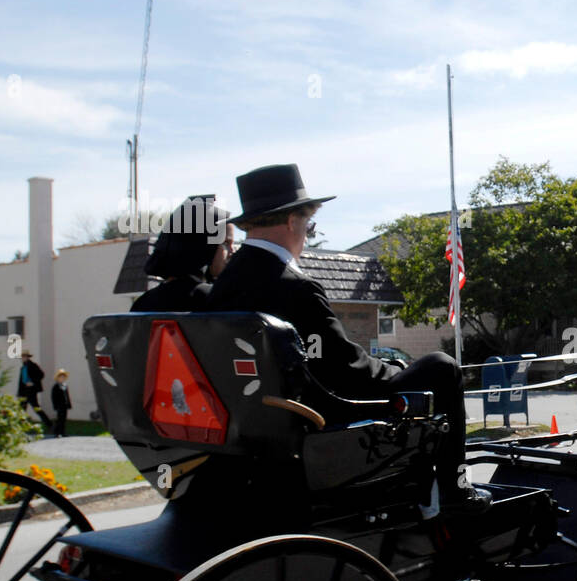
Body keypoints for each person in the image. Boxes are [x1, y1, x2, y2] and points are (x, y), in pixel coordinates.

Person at [207, 163, 490, 514]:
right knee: (443, 368)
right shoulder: (294, 287)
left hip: (256, 421)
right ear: (292, 221)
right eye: (308, 225)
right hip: (320, 418)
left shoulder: (224, 284)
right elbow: (349, 370)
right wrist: (396, 369)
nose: (306, 235)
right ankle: (456, 491)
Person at [132, 195, 234, 312]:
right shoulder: (216, 300)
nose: (232, 251)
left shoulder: (142, 303)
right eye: (226, 243)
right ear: (204, 247)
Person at [16, 351, 51, 433]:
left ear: (28, 357)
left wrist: (33, 382)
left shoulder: (33, 365)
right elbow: (21, 381)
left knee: (36, 408)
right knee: (22, 409)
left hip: (31, 390)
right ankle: (20, 427)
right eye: (22, 357)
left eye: (24, 356)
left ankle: (49, 424)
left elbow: (41, 375)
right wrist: (19, 393)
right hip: (24, 391)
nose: (23, 358)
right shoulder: (23, 367)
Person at [50, 369, 72, 437]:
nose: (62, 378)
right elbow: (53, 396)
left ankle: (63, 432)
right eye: (61, 377)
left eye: (63, 377)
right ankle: (57, 432)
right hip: (59, 405)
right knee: (59, 419)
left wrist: (69, 404)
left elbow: (67, 396)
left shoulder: (65, 385)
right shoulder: (56, 386)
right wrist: (55, 405)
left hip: (64, 405)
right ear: (58, 377)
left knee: (63, 419)